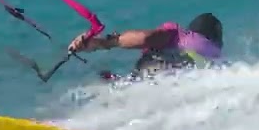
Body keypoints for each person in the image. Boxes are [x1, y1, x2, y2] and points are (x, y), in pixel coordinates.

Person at [68, 13, 224, 79]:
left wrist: (105, 43)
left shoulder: (182, 36)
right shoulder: (215, 57)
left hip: (159, 78)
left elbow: (146, 38)